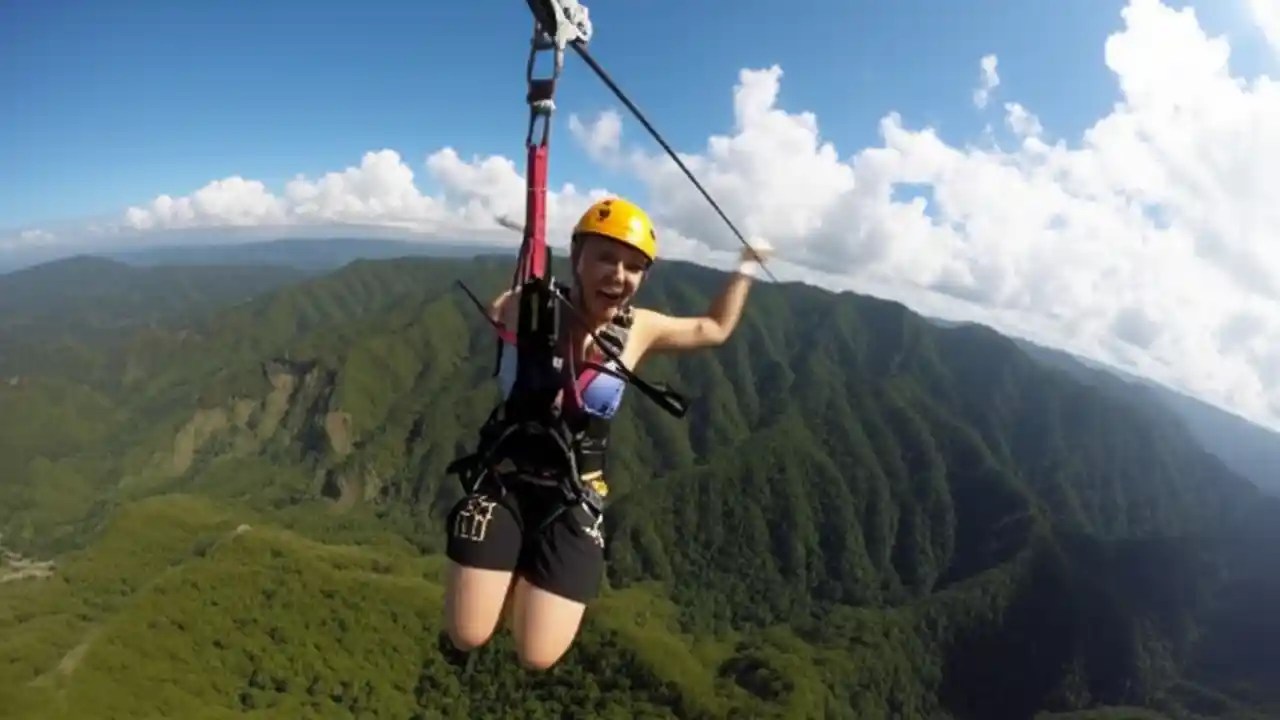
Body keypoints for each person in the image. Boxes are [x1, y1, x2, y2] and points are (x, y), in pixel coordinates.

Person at [442, 196, 771, 671]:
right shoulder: (535, 309)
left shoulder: (640, 329)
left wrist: (746, 267)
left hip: (574, 494)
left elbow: (713, 329)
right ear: (576, 258)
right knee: (467, 633)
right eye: (605, 258)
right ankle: (494, 585)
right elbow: (499, 312)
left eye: (634, 266)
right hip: (505, 480)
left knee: (537, 656)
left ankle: (512, 573)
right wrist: (528, 256)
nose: (619, 274)